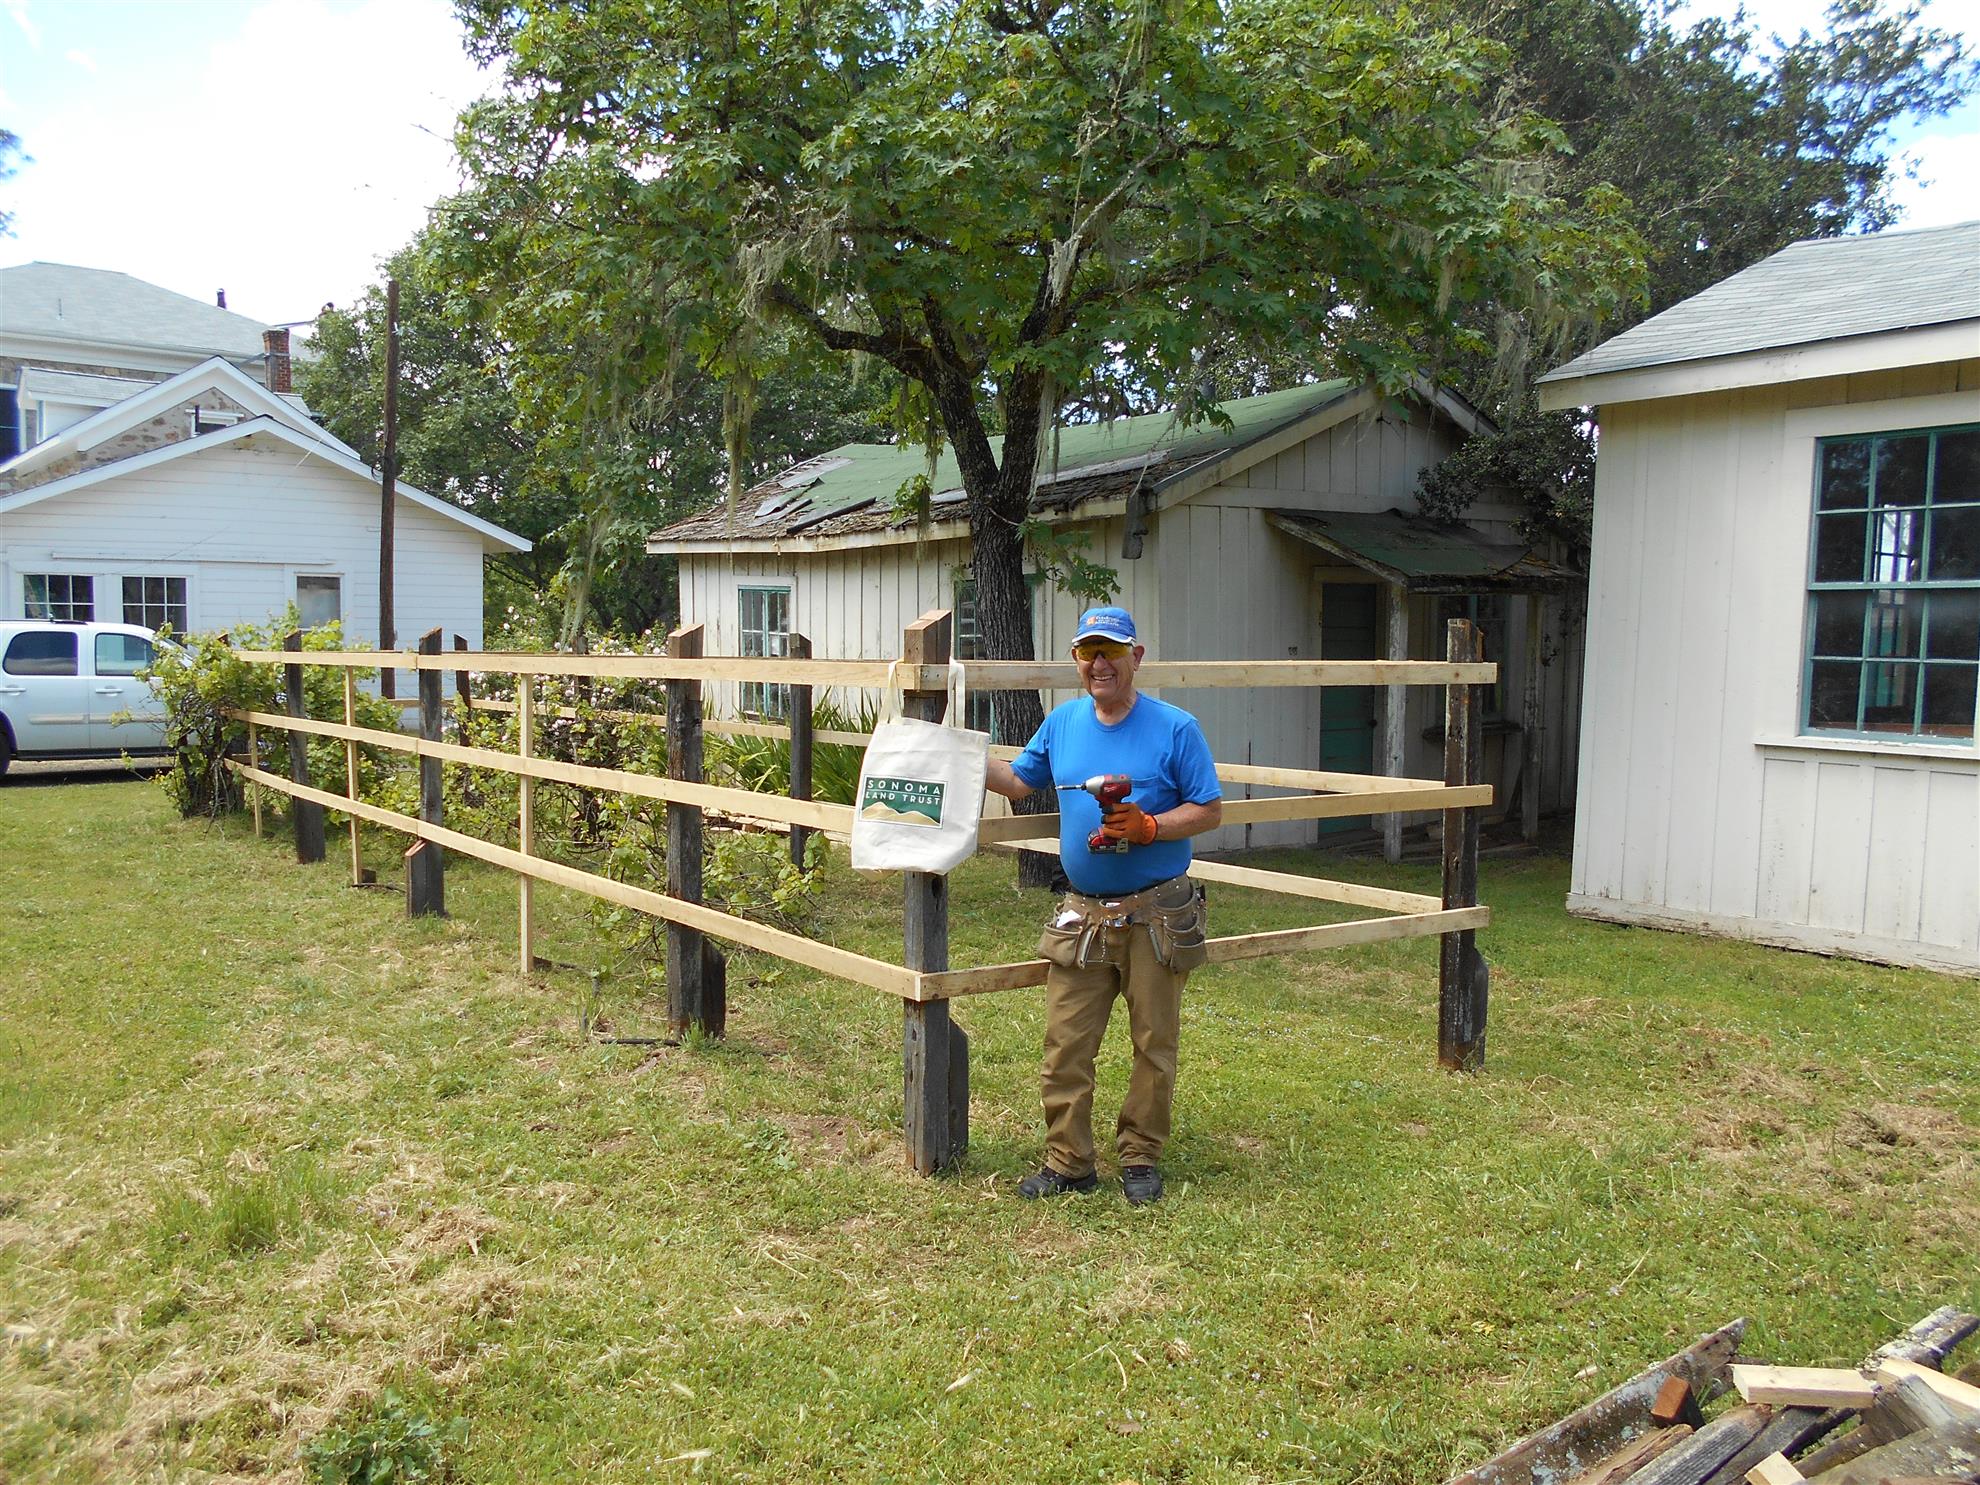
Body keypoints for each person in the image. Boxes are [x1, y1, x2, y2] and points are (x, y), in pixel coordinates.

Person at [986, 605, 1222, 1206]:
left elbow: (1208, 809)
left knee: (1153, 1044)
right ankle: (1069, 1163)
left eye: (1110, 651)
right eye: (1087, 652)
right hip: (1083, 914)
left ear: (1135, 658)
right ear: (1077, 662)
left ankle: (1140, 1157)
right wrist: (949, 754)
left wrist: (1148, 827)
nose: (1098, 663)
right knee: (1066, 1043)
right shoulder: (1063, 724)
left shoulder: (1176, 728)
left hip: (1157, 913)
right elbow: (1018, 781)